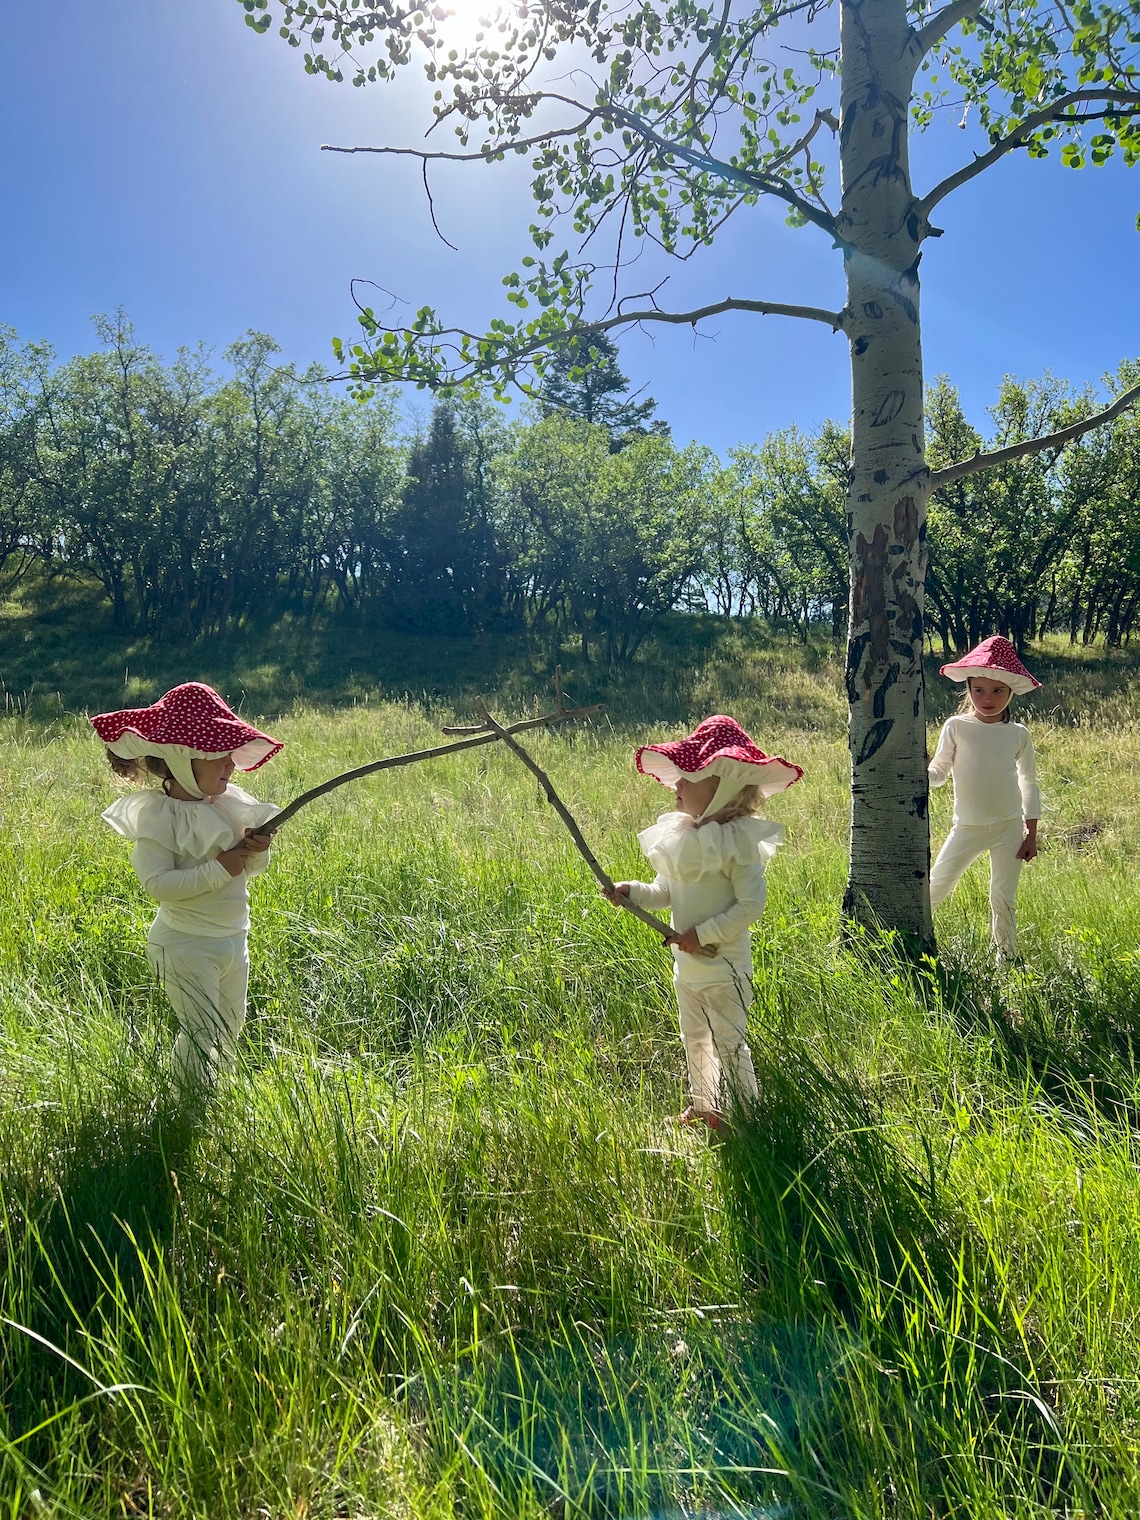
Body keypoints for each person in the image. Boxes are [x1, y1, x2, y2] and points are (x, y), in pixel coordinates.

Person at [607, 716, 802, 1130]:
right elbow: (665, 893)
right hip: (688, 967)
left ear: (722, 788)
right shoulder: (681, 837)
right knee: (694, 1038)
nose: (676, 785)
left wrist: (704, 934)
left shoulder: (737, 844)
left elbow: (751, 905)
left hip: (725, 966)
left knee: (729, 1043)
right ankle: (705, 1105)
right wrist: (632, 892)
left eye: (688, 777)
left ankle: (745, 1114)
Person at [91, 682, 283, 1094]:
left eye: (231, 755)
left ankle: (216, 1098)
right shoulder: (158, 817)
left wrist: (256, 849)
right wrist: (221, 867)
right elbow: (157, 884)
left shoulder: (229, 805)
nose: (230, 766)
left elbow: (248, 870)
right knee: (201, 1032)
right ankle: (185, 1108)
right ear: (183, 761)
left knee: (230, 1027)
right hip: (184, 943)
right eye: (219, 757)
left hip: (234, 937)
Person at [928, 636, 1041, 961]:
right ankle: (907, 943)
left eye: (997, 691)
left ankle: (1007, 961)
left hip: (1008, 828)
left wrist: (1030, 834)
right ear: (969, 688)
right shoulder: (956, 727)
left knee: (1003, 898)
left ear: (1010, 691)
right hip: (967, 827)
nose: (987, 698)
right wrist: (921, 770)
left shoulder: (1017, 734)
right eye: (979, 690)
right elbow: (938, 773)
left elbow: (1028, 783)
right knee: (936, 885)